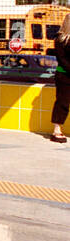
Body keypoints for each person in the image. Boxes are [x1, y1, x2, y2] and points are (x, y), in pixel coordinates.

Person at [51, 14, 70, 144]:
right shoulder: (60, 39)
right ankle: (56, 130)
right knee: (62, 102)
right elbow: (62, 59)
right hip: (64, 75)